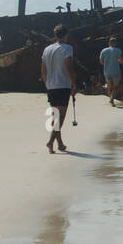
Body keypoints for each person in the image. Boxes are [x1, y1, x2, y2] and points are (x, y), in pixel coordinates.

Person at [40, 24, 76, 153]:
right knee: (60, 117)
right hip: (62, 85)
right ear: (66, 35)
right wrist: (74, 83)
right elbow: (68, 67)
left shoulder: (47, 49)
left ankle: (60, 144)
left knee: (55, 115)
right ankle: (50, 142)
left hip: (51, 86)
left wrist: (47, 83)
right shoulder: (67, 48)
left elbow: (43, 70)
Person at [98, 37, 123, 106]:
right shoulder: (118, 50)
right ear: (115, 43)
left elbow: (101, 61)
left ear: (109, 43)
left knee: (109, 87)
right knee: (116, 87)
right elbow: (121, 61)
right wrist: (117, 61)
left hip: (106, 72)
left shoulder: (103, 50)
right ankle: (111, 99)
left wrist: (107, 63)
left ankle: (111, 100)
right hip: (116, 71)